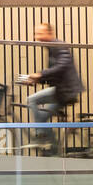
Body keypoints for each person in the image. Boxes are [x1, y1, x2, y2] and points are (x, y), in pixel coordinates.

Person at [18, 22, 84, 154]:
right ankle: (53, 150)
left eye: (40, 33)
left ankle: (42, 138)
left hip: (65, 91)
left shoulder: (58, 45)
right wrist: (36, 80)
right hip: (61, 90)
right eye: (36, 33)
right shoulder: (51, 47)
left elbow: (62, 65)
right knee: (42, 119)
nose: (37, 37)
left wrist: (40, 74)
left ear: (49, 33)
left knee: (32, 100)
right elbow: (55, 73)